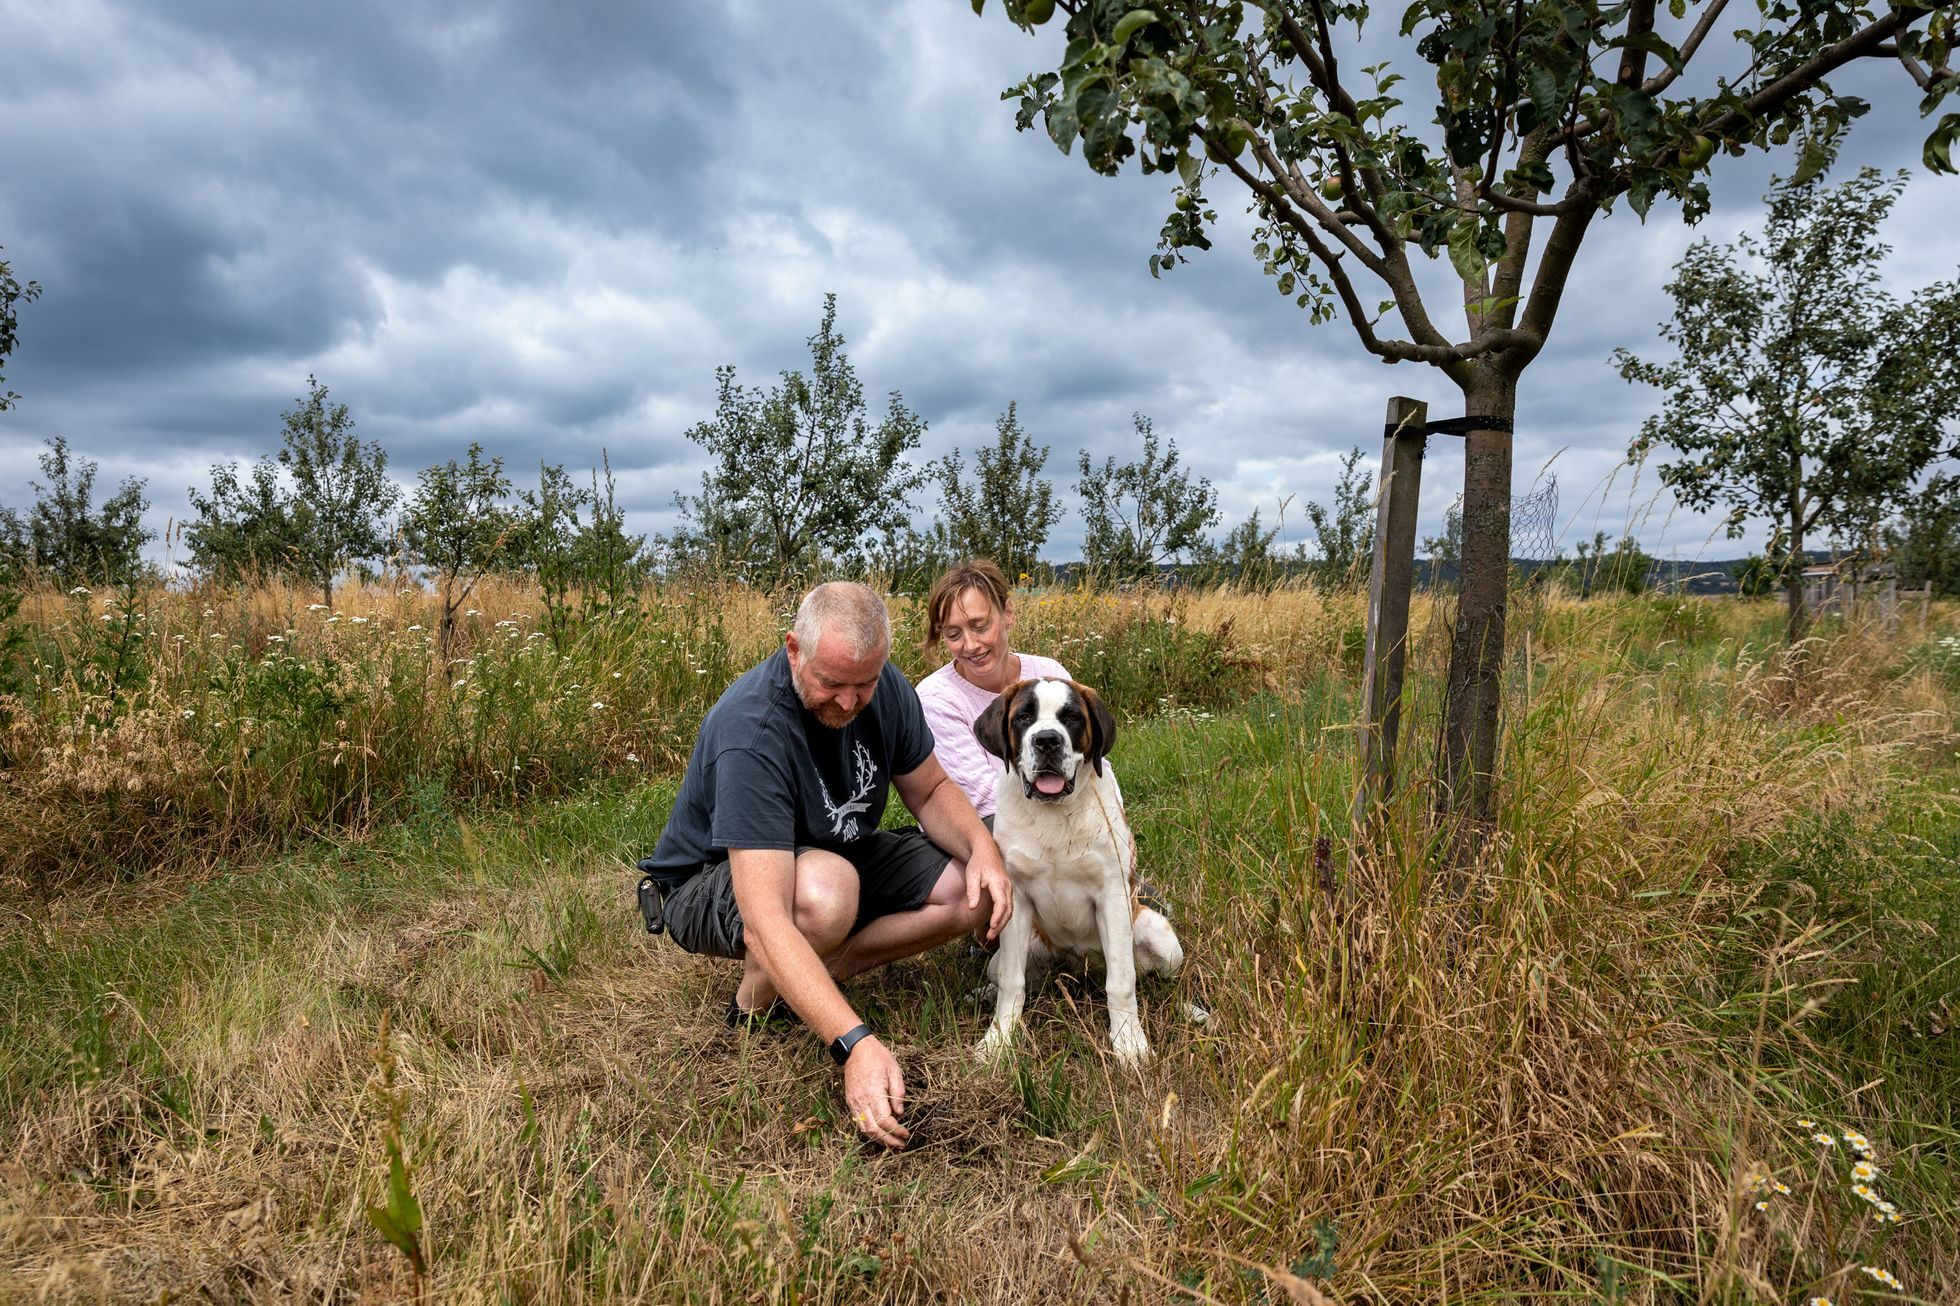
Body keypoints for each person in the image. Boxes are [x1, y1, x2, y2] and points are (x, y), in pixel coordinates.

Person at [636, 581, 1012, 1151]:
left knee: (973, 888)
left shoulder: (886, 691)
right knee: (827, 893)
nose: (847, 701)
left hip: (838, 851)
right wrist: (855, 1043)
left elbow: (931, 790)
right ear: (794, 650)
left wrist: (985, 850)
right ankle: (752, 1009)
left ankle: (815, 978)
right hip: (707, 881)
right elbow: (765, 920)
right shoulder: (753, 730)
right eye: (831, 683)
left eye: (864, 684)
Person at [915, 559, 1116, 818]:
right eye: (953, 635)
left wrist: (1114, 829)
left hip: (1067, 817)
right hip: (986, 825)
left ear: (1007, 613)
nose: (971, 644)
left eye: (980, 626)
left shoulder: (1049, 673)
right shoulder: (938, 697)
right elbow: (981, 798)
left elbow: (1096, 764)